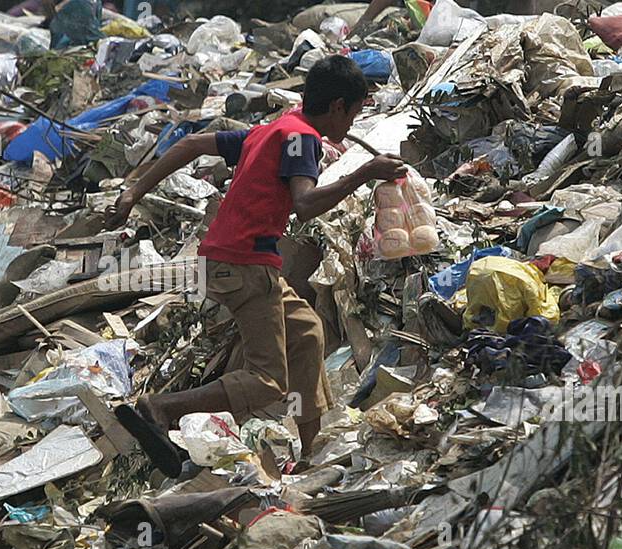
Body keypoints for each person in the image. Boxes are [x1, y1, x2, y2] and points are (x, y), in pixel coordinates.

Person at [106, 54, 406, 476]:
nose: (352, 126)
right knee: (267, 380)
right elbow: (304, 205)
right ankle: (160, 407)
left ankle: (306, 454)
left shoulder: (273, 130)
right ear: (338, 106)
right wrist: (365, 173)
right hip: (246, 265)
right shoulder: (302, 140)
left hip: (225, 261)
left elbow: (190, 144)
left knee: (306, 332)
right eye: (354, 114)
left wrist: (134, 192)